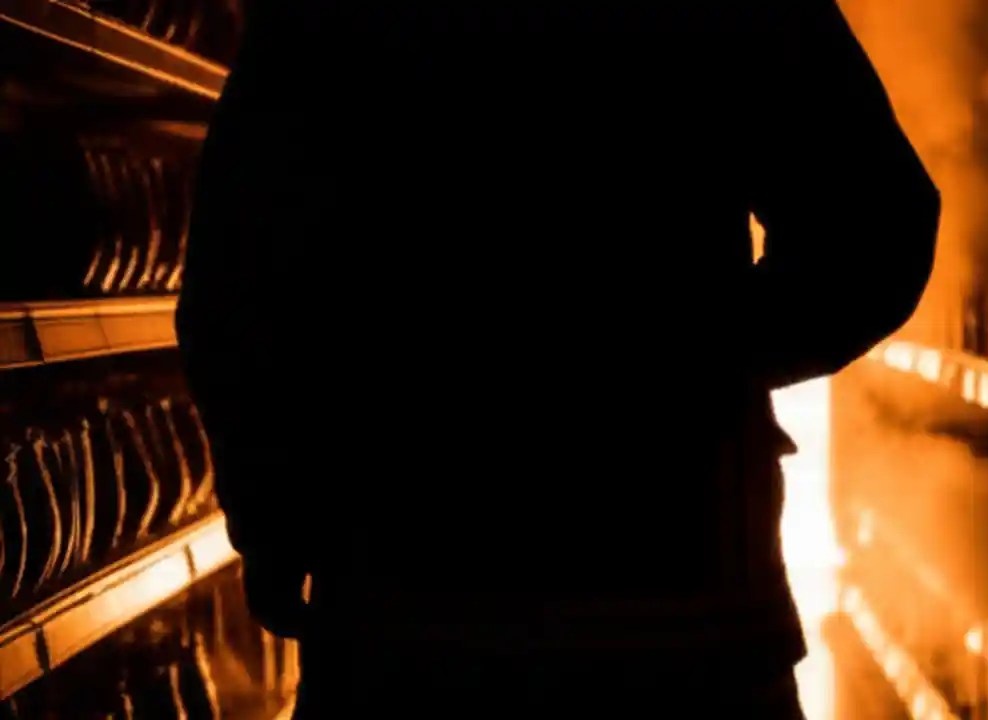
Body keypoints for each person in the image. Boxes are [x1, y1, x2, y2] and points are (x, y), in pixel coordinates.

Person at [176, 1, 938, 716]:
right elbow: (876, 230)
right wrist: (693, 368)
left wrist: (270, 508)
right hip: (682, 602)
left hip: (411, 600)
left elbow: (240, 271)